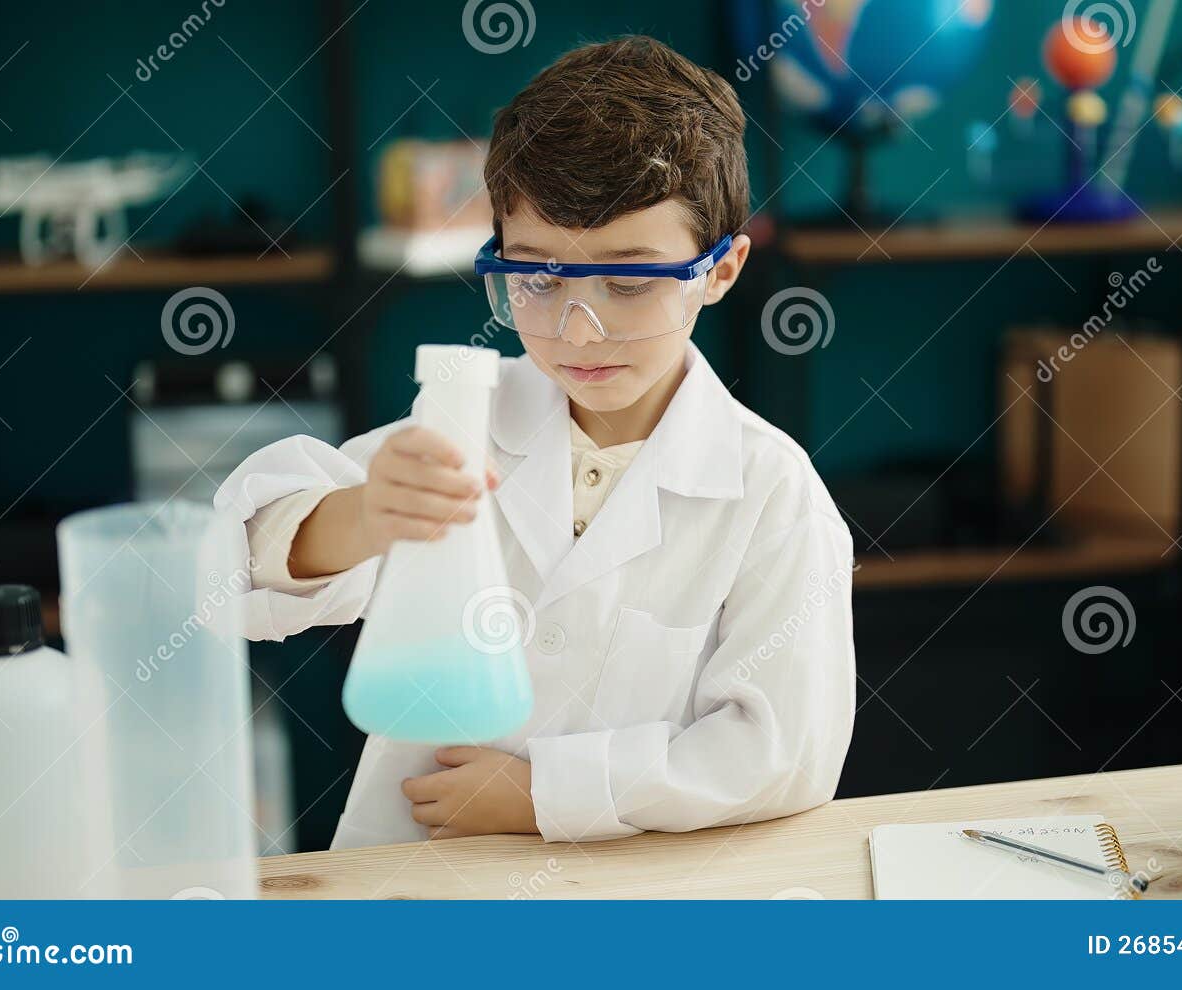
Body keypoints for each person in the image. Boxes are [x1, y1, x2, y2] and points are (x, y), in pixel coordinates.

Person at [216, 35, 855, 849]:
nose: (578, 329)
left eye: (629, 283)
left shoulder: (770, 490)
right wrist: (367, 515)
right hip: (414, 891)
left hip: (632, 905)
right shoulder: (461, 425)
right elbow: (234, 569)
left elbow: (783, 753)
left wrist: (544, 795)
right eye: (539, 279)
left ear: (722, 271)